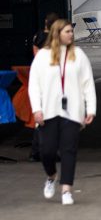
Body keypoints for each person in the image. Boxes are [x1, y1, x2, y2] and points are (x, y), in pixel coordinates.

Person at [29, 19, 97, 205]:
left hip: (73, 111)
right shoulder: (43, 56)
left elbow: (88, 84)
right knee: (47, 151)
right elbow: (33, 86)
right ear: (57, 33)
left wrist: (90, 108)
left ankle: (66, 189)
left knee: (69, 150)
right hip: (48, 111)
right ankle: (51, 176)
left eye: (71, 31)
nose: (71, 34)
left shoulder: (79, 55)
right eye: (67, 31)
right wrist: (37, 109)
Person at [29, 12, 59, 162]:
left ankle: (36, 151)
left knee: (40, 118)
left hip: (40, 77)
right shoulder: (57, 38)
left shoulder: (38, 36)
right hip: (52, 79)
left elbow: (35, 55)